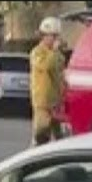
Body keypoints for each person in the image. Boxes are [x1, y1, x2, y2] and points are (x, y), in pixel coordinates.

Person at [29, 16, 67, 147]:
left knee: (60, 140)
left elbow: (61, 74)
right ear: (44, 36)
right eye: (53, 36)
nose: (56, 39)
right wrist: (54, 51)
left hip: (56, 104)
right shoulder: (37, 53)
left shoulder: (58, 55)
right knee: (41, 138)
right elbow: (46, 66)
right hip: (42, 104)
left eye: (57, 36)